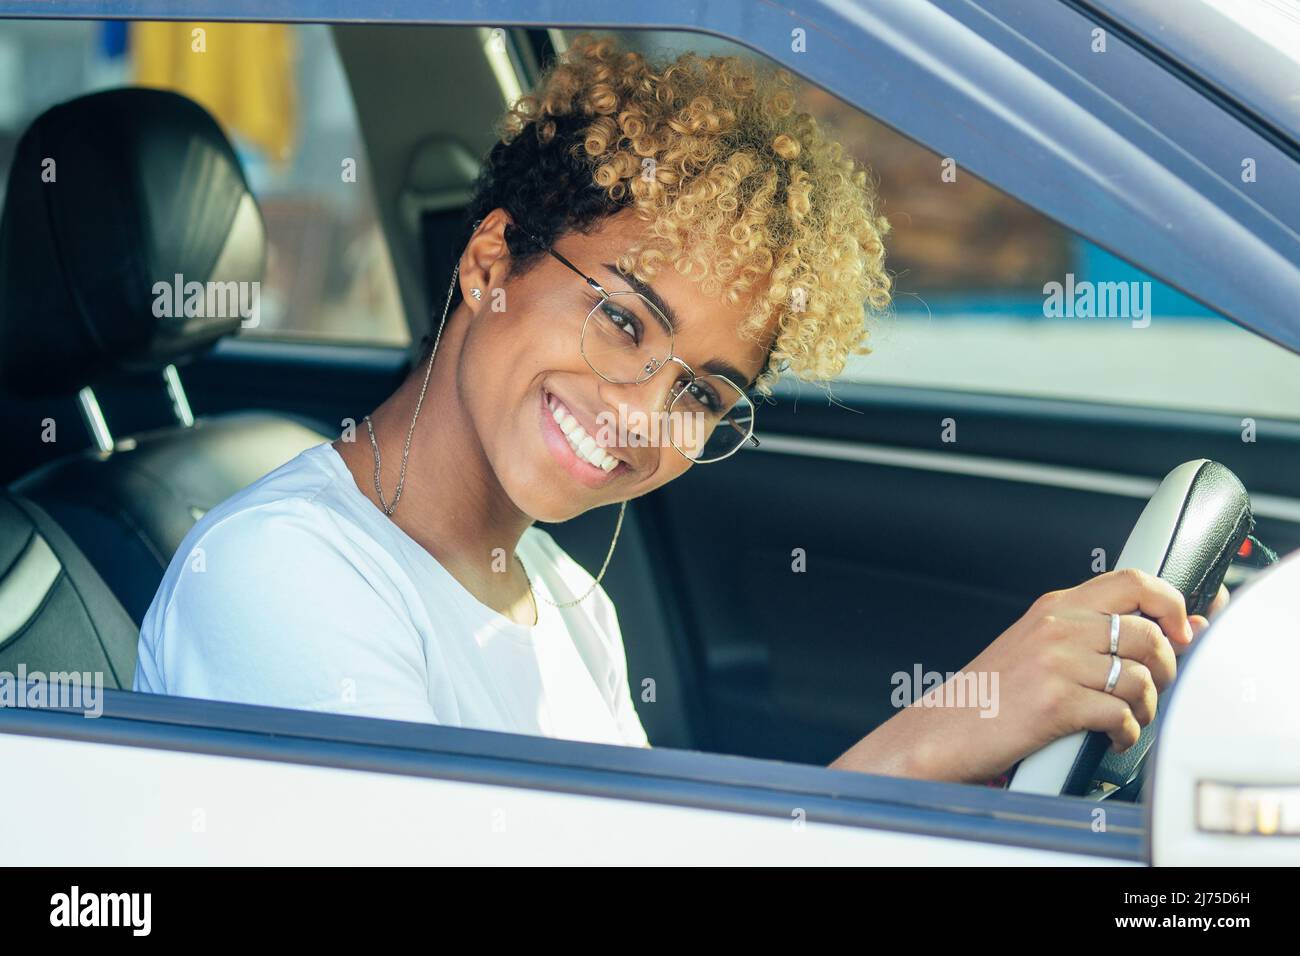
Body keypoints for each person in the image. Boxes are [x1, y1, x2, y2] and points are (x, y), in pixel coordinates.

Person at [134, 34, 1225, 783]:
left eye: (703, 390)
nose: (646, 415)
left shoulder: (567, 603)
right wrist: (926, 739)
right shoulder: (283, 581)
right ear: (487, 264)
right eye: (622, 321)